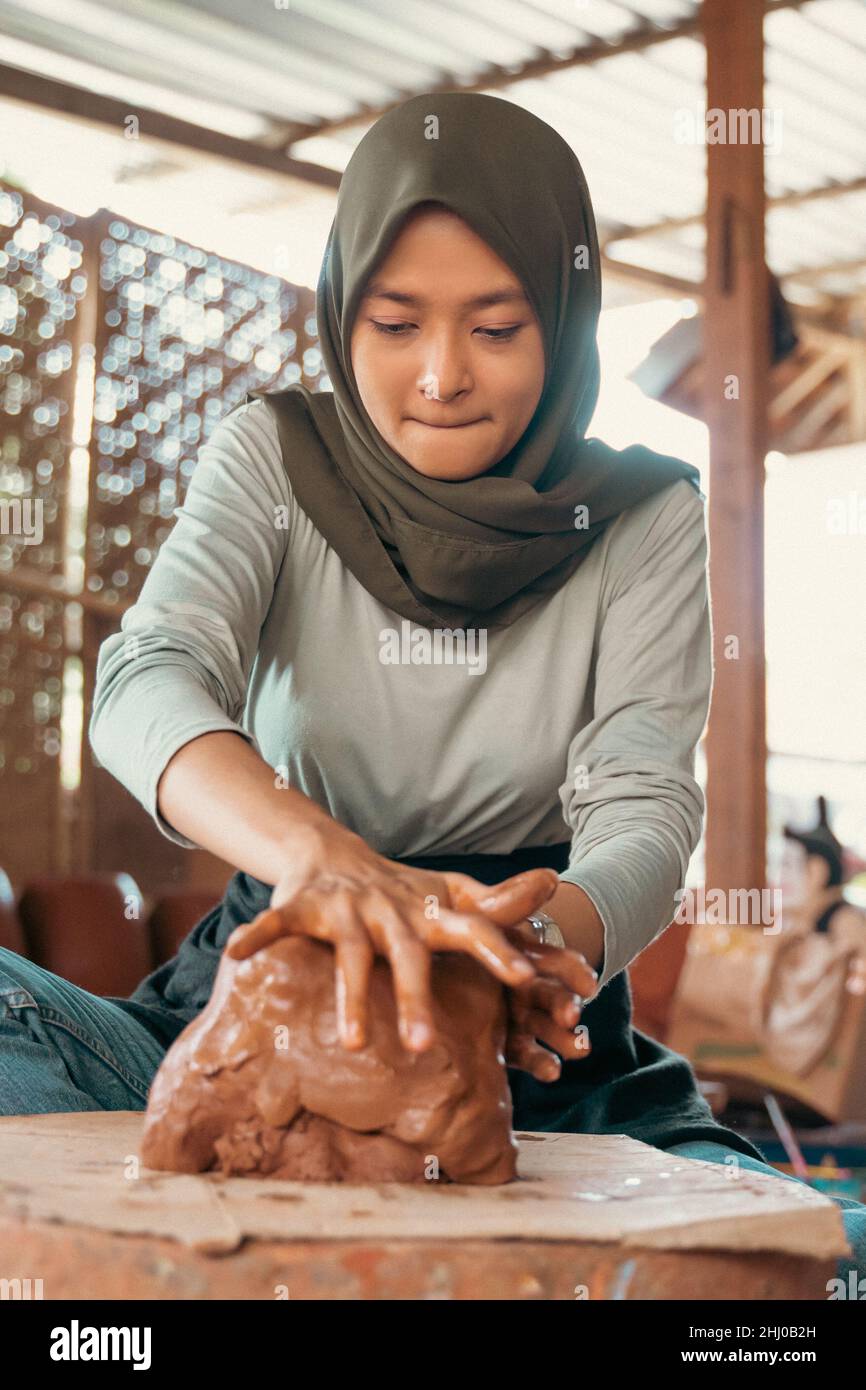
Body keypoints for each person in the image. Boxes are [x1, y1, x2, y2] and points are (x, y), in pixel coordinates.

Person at [1, 91, 863, 1284]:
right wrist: (321, 861)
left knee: (820, 1267)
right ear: (343, 308)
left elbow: (644, 805)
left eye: (498, 330)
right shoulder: (276, 458)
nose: (441, 376)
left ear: (563, 326)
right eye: (395, 322)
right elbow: (149, 676)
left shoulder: (639, 514)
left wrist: (525, 957)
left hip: (541, 1034)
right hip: (261, 991)